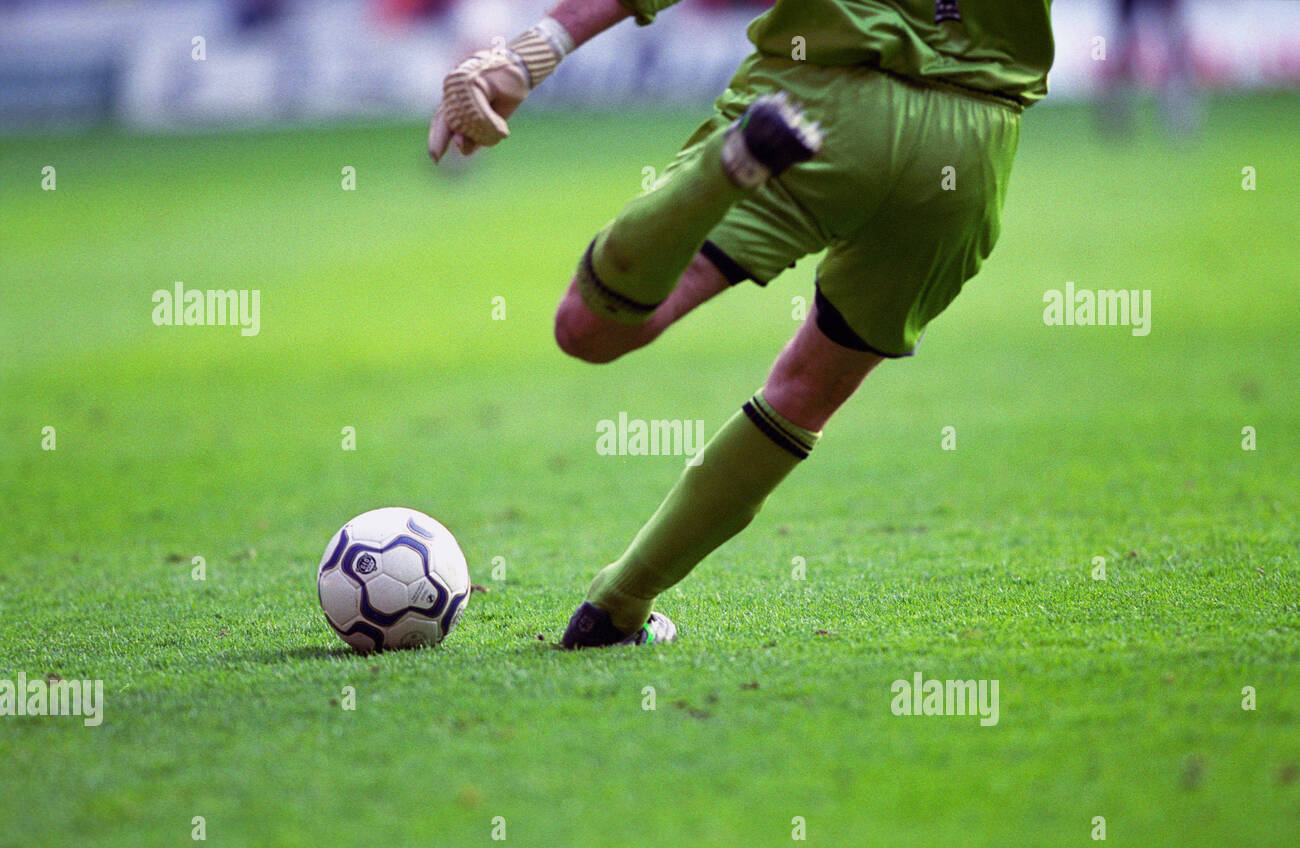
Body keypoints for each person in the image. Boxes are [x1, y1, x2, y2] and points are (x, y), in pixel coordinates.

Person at [429, 0, 1055, 648]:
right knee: (807, 393)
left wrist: (529, 55)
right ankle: (618, 605)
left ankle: (727, 167)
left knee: (591, 326)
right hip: (969, 146)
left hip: (822, 102)